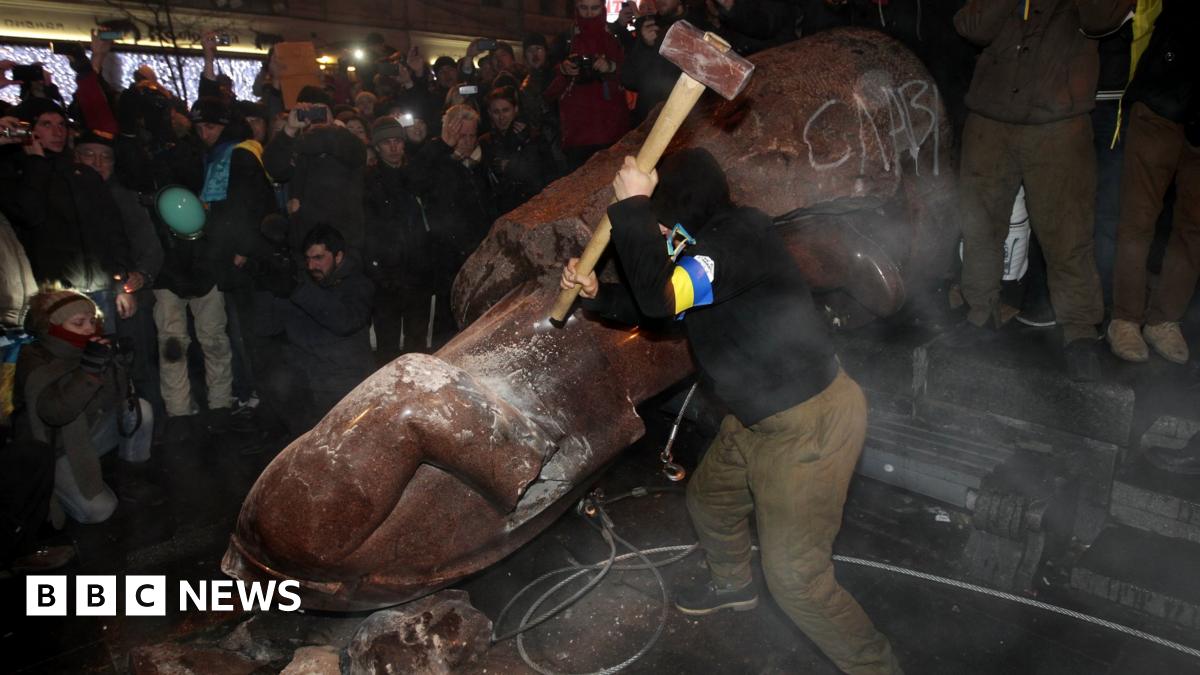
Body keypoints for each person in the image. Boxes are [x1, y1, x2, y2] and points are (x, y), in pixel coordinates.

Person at [560, 150, 901, 675]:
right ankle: (734, 586)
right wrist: (596, 295)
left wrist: (629, 209)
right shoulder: (700, 242)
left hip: (808, 424)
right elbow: (666, 307)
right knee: (711, 502)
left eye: (661, 218)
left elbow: (662, 298)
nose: (660, 232)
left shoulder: (737, 238)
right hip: (756, 417)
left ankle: (877, 668)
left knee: (796, 582)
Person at [951, 0, 1130, 381]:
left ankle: (1080, 330)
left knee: (1068, 234)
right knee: (979, 226)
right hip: (990, 119)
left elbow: (1103, 19)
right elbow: (971, 26)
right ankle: (980, 312)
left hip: (1059, 125)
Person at [1106, 0, 1199, 365]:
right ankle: (1125, 318)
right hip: (1162, 100)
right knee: (1138, 217)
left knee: (1193, 227)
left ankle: (1164, 320)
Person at [14, 287, 154, 526]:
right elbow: (56, 413)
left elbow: (114, 401)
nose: (89, 329)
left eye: (92, 320)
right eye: (79, 323)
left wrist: (118, 365)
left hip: (88, 431)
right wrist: (88, 372)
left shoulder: (87, 348)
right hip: (56, 447)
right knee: (99, 511)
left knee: (139, 410)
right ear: (52, 326)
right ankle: (55, 489)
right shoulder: (36, 359)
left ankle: (128, 475)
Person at [261, 225, 374, 433]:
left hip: (345, 383)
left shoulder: (358, 285)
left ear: (338, 256)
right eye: (308, 259)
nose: (312, 265)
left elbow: (344, 321)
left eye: (319, 258)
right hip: (308, 380)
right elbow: (272, 326)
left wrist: (297, 291)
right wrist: (272, 289)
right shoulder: (305, 280)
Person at [364, 116, 428, 362]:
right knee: (388, 345)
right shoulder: (369, 181)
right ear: (378, 146)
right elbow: (369, 229)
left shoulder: (413, 174)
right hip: (387, 276)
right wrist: (378, 271)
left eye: (397, 141)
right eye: (387, 142)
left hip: (416, 271)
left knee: (417, 343)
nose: (393, 147)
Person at [544, 0, 632, 170]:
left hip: (614, 131)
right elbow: (547, 89)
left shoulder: (616, 35)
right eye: (584, 8)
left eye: (594, 8)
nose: (590, 14)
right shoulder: (564, 40)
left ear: (603, 8)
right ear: (576, 9)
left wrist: (611, 67)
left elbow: (634, 75)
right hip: (577, 134)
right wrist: (562, 69)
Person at [480, 86, 557, 215]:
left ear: (515, 110)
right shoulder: (485, 142)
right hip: (503, 208)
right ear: (489, 113)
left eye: (505, 110)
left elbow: (544, 171)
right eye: (496, 112)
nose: (501, 117)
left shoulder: (532, 136)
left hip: (534, 205)